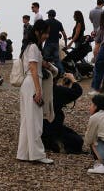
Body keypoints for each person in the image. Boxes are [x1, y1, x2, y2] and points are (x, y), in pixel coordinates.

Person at [16, 19, 54, 164]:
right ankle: (37, 154)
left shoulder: (29, 47)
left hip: (28, 84)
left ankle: (24, 153)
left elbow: (34, 65)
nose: (47, 36)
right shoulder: (33, 47)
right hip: (32, 83)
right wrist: (38, 90)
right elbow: (33, 68)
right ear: (38, 32)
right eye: (46, 33)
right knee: (35, 121)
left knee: (27, 120)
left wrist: (46, 65)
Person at [42, 72, 84, 154]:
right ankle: (57, 144)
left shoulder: (40, 88)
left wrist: (64, 87)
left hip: (41, 127)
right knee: (78, 141)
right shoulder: (57, 90)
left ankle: (50, 142)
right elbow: (77, 91)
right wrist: (73, 79)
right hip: (54, 126)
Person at [43, 9, 67, 76]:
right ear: (54, 15)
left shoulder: (45, 22)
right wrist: (66, 44)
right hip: (56, 44)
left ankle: (46, 73)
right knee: (57, 60)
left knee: (45, 58)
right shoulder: (59, 23)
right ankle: (62, 73)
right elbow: (64, 35)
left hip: (48, 43)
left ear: (48, 15)